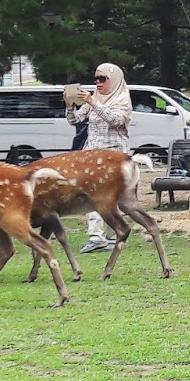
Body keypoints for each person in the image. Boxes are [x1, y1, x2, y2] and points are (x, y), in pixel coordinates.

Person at [68, 62, 133, 252]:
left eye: (102, 79)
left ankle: (113, 235)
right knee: (91, 196)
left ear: (114, 80)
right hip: (92, 155)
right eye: (96, 79)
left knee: (112, 197)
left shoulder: (121, 99)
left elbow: (116, 119)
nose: (98, 83)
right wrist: (69, 105)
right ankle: (96, 236)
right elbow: (76, 119)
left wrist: (93, 103)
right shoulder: (94, 98)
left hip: (113, 156)